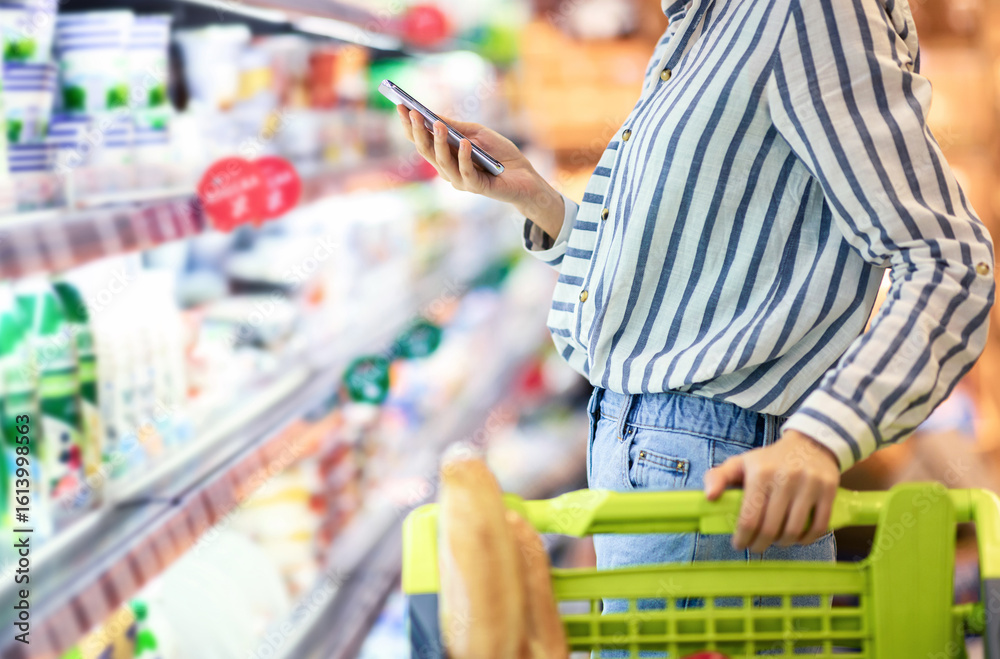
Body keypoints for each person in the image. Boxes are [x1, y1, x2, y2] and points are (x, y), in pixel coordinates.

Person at [397, 0, 994, 598]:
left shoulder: (802, 11)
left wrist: (823, 437)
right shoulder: (705, 25)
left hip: (714, 462)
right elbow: (694, 269)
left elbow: (949, 261)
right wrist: (537, 201)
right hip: (661, 451)